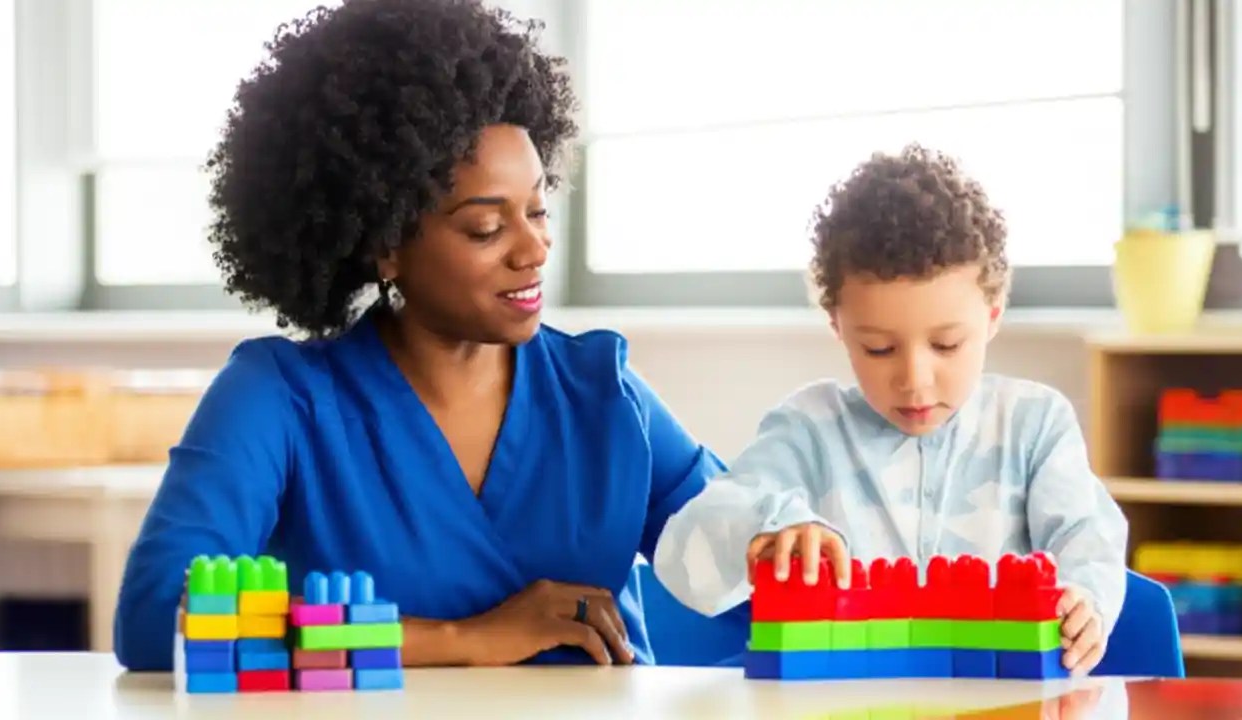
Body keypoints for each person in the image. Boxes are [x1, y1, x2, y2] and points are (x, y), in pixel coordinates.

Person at [112, 0, 724, 671]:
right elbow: (154, 618)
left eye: (538, 209)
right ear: (384, 243)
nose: (535, 249)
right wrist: (464, 640)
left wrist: (796, 518)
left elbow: (744, 546)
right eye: (486, 229)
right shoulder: (278, 400)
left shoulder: (604, 394)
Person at [652, 144, 1128, 677]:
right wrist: (770, 525)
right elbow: (682, 564)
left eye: (947, 345)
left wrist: (1085, 598)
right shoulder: (809, 430)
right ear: (838, 325)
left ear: (992, 316)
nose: (914, 380)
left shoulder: (1033, 426)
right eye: (879, 349)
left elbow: (1088, 536)